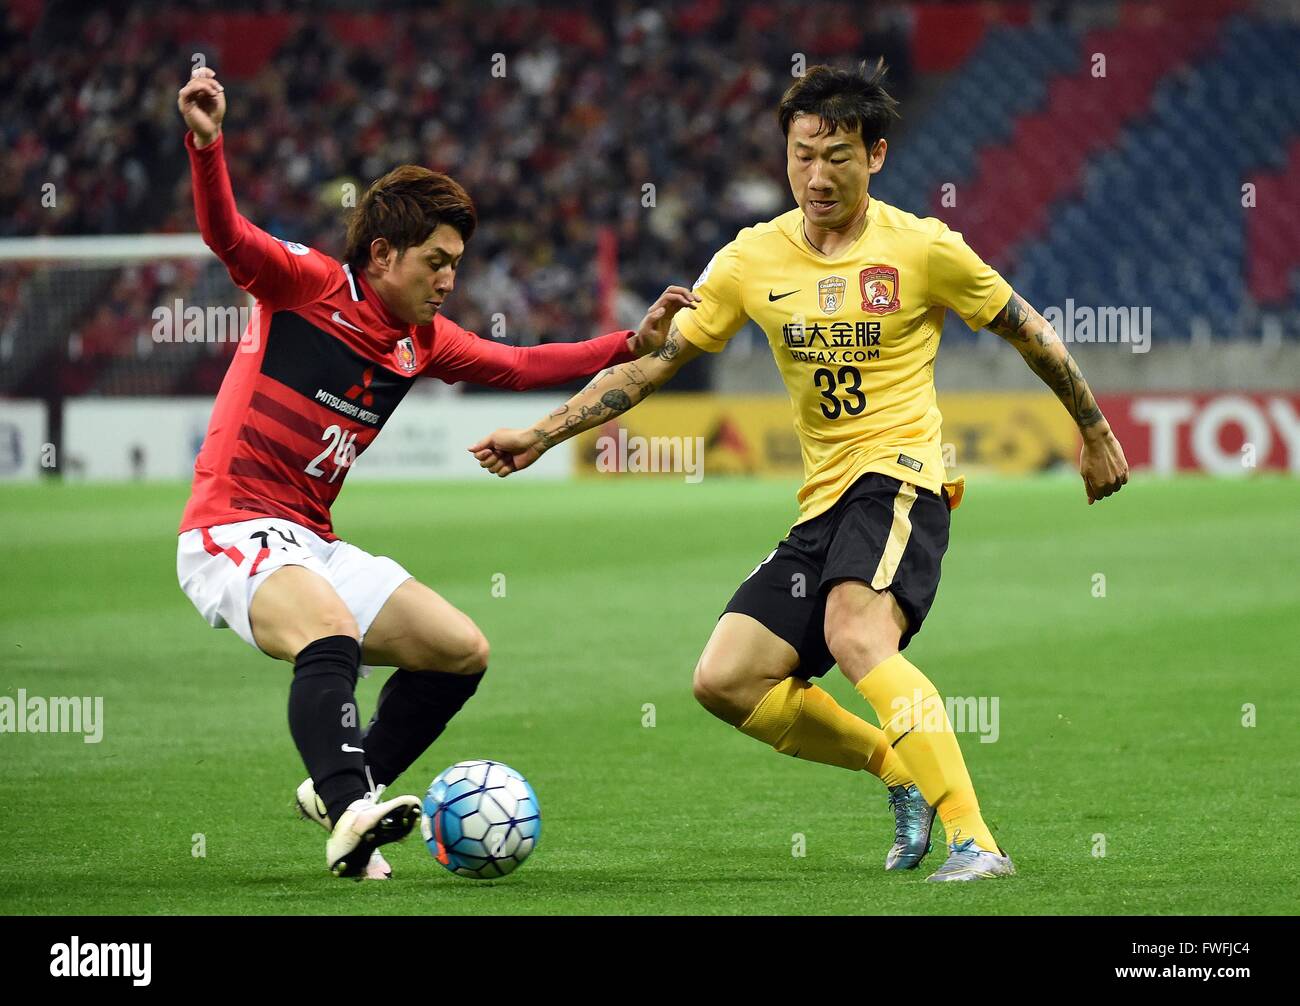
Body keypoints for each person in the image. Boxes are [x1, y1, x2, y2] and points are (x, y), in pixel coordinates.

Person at [468, 61, 1129, 882]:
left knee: (858, 632)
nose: (817, 176)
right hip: (822, 504)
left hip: (902, 480)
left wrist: (1094, 429)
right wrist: (545, 431)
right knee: (726, 679)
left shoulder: (923, 248)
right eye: (801, 154)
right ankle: (899, 773)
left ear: (876, 154)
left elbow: (1029, 329)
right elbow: (654, 364)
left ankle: (976, 840)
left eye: (838, 155)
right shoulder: (751, 259)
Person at [174, 66, 697, 879]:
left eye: (457, 263)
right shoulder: (306, 286)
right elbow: (229, 237)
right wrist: (207, 145)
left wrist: (632, 343)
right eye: (438, 261)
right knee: (331, 633)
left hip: (309, 539)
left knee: (460, 650)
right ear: (382, 254)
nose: (450, 279)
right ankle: (351, 811)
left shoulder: (422, 340)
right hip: (230, 527)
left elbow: (522, 364)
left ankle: (349, 788)